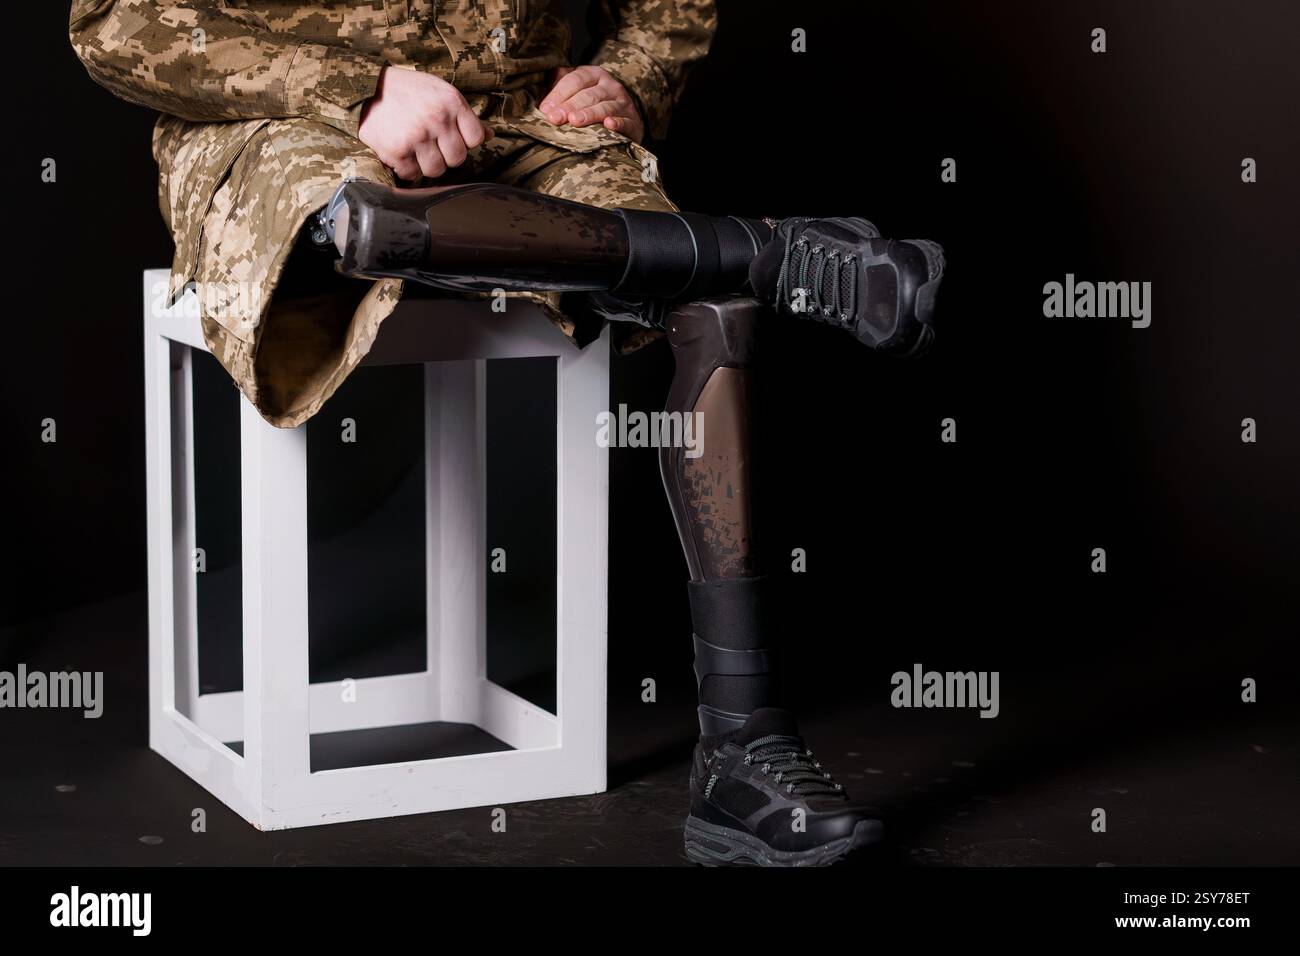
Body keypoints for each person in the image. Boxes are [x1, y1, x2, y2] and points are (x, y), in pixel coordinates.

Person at [70, 0, 944, 866]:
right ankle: (766, 249)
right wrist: (360, 90)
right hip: (279, 123)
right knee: (366, 217)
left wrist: (632, 79)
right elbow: (110, 20)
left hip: (523, 129)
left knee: (708, 304)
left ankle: (743, 749)